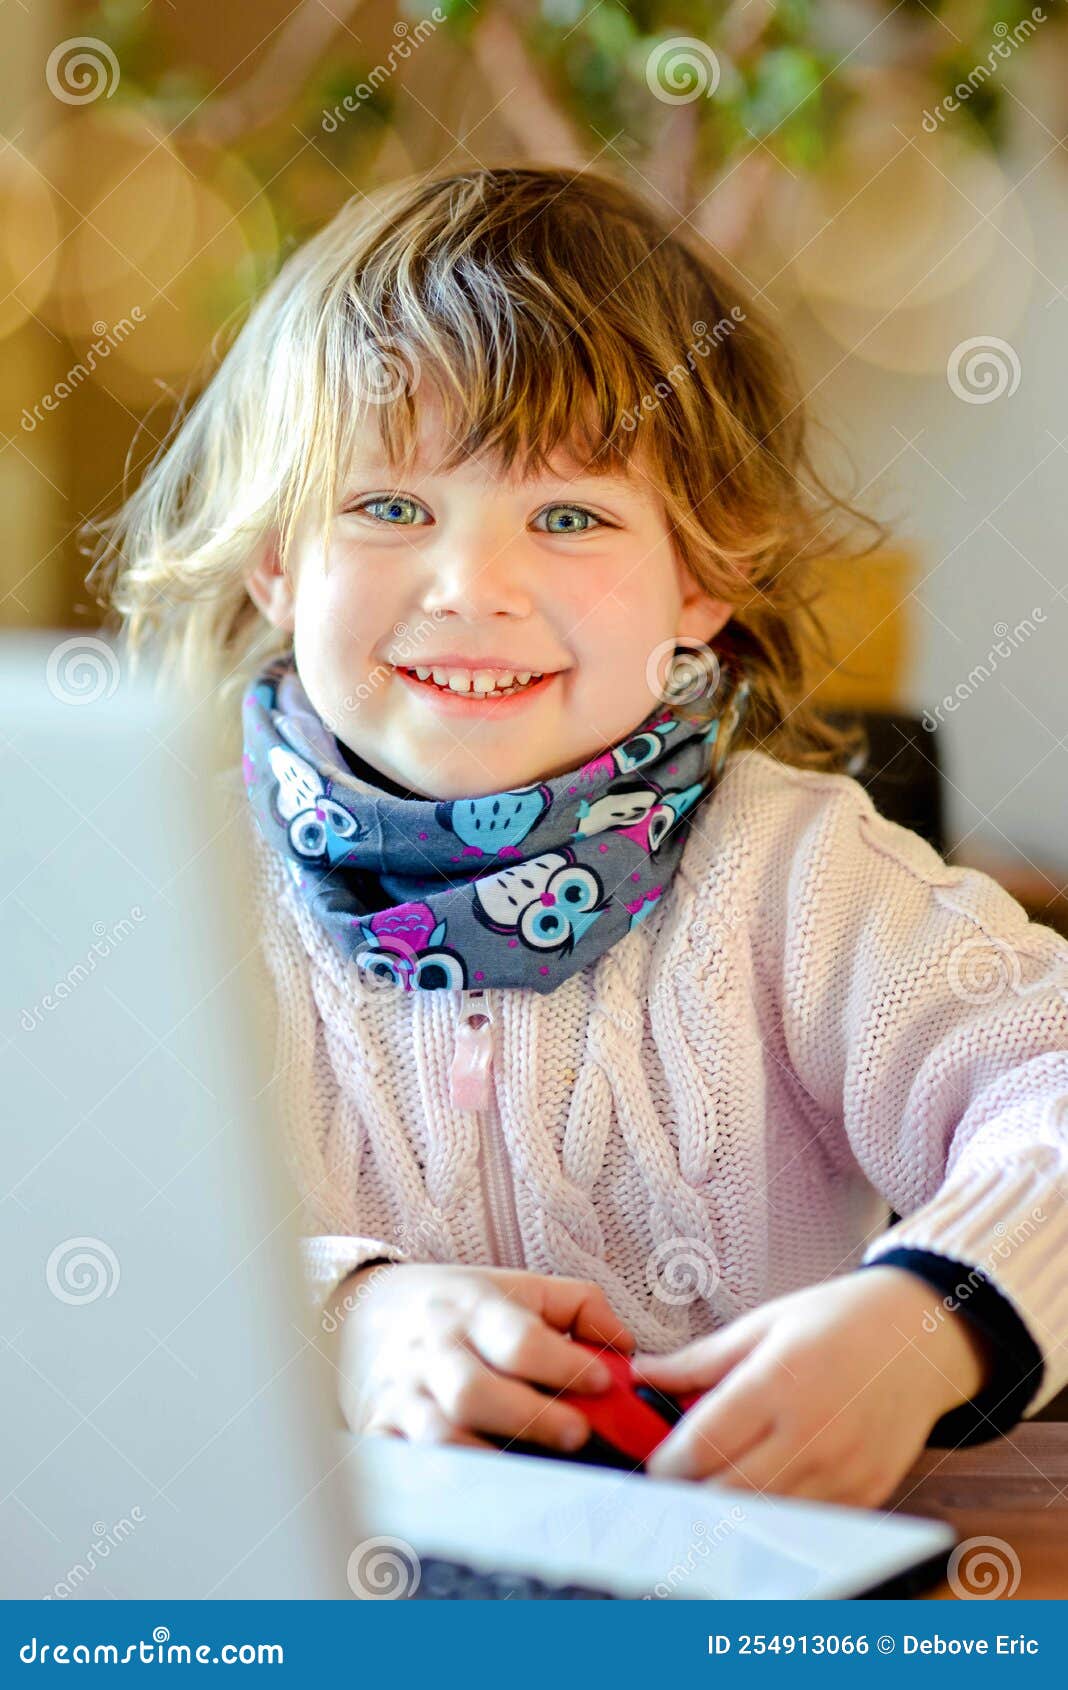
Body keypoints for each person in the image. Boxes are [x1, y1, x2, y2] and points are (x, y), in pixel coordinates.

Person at [91, 165, 1068, 1509]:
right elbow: (68, 1225)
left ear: (702, 579)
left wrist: (923, 1324)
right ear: (276, 560)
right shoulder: (163, 895)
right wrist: (341, 1324)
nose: (472, 585)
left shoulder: (798, 879)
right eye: (389, 507)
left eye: (568, 516)